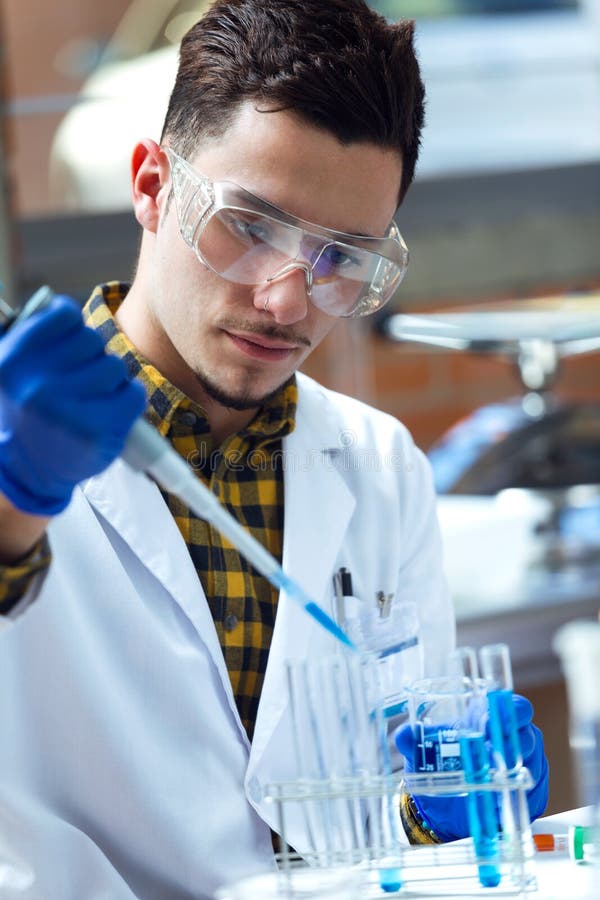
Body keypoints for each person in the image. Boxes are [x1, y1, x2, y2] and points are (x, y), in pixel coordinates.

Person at [0, 1, 547, 897]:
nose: (289, 300)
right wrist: (13, 503)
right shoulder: (18, 438)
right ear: (150, 186)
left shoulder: (378, 463)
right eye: (251, 226)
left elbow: (372, 817)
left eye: (343, 257)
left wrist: (439, 804)